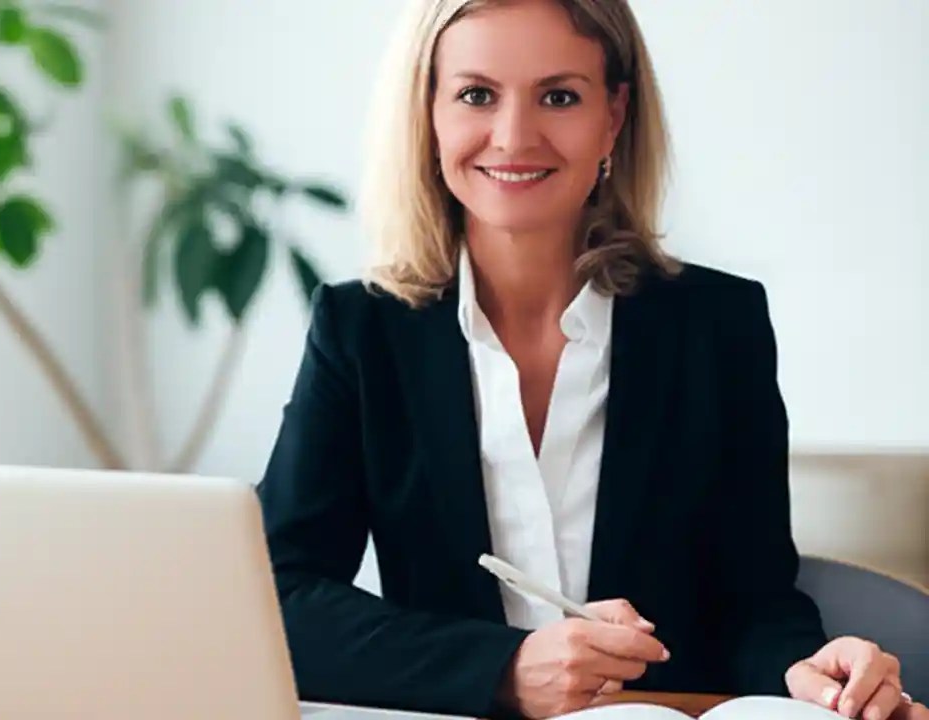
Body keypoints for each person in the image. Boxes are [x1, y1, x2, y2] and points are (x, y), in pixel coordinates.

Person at [254, 1, 927, 719]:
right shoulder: (361, 329)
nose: (514, 136)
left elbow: (753, 598)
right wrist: (505, 666)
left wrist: (807, 671)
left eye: (559, 96)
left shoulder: (716, 326)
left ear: (613, 116)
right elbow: (275, 596)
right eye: (476, 94)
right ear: (429, 115)